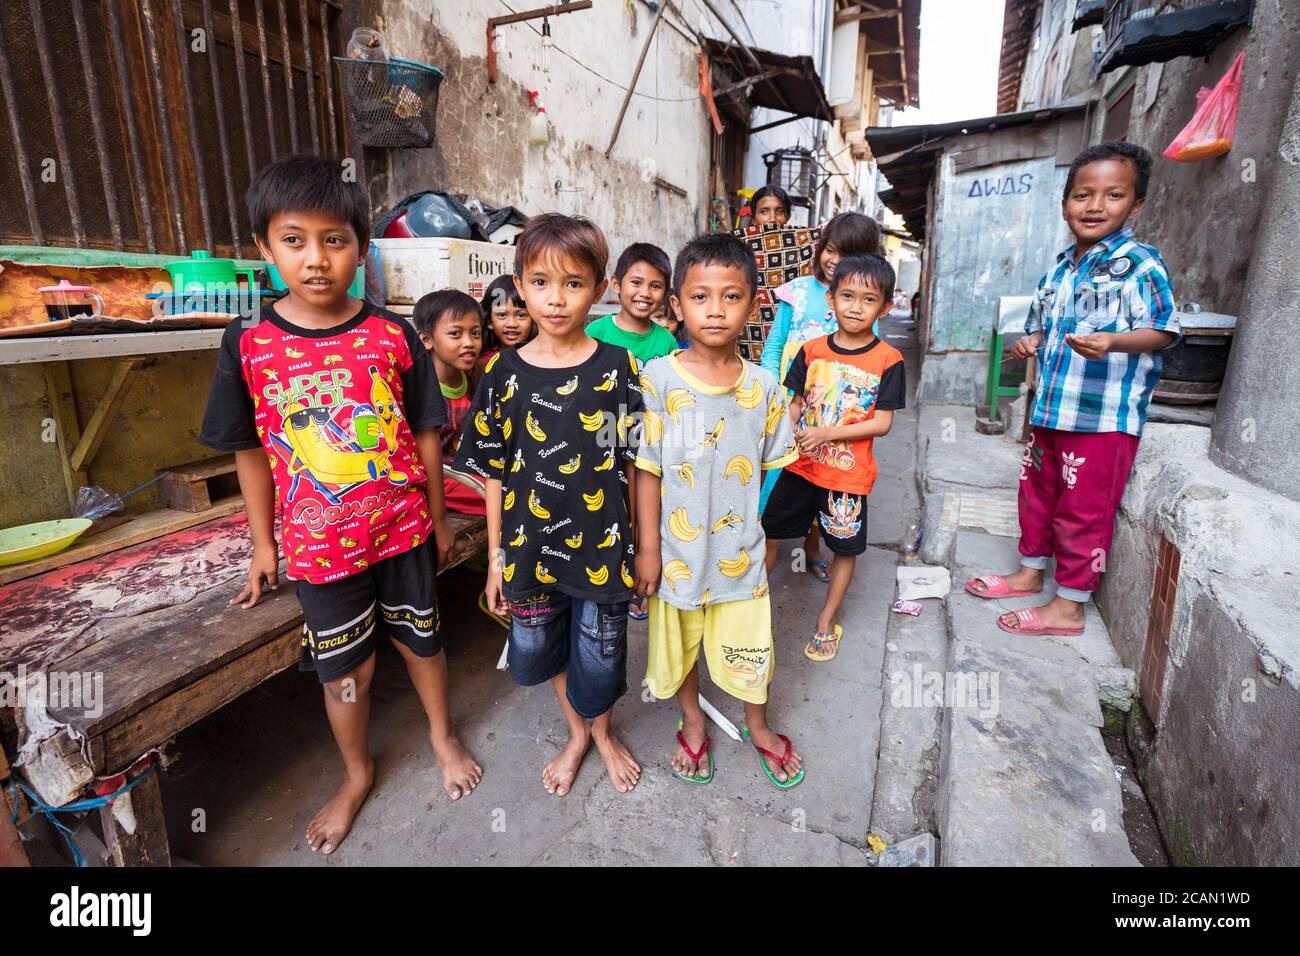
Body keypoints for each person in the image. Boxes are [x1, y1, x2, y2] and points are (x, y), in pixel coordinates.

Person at [199, 155, 481, 856]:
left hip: (404, 528)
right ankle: (356, 774)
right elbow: (251, 453)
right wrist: (264, 545)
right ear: (265, 250)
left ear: (362, 248)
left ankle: (443, 736)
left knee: (423, 641)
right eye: (294, 240)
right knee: (344, 670)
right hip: (320, 549)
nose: (316, 259)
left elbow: (425, 434)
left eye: (335, 240)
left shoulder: (392, 336)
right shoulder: (249, 344)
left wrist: (441, 519)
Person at [459, 213, 644, 797]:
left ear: (601, 286)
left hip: (603, 545)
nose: (556, 299)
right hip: (528, 549)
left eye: (573, 284)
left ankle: (605, 733)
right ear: (519, 283)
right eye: (540, 283)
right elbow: (493, 473)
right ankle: (576, 734)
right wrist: (494, 559)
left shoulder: (618, 369)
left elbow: (634, 464)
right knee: (546, 648)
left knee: (602, 652)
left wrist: (640, 548)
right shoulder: (501, 373)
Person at [964, 141, 1179, 637]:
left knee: (1084, 513)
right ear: (1065, 205)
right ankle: (1029, 571)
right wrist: (1029, 343)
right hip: (1050, 413)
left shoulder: (1141, 264)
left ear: (1136, 205)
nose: (1096, 206)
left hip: (1102, 421)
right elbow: (1041, 327)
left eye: (1113, 195)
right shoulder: (1059, 269)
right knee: (1037, 496)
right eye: (1083, 195)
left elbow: (1165, 329)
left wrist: (1115, 342)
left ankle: (1069, 606)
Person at [635, 234, 804, 788]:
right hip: (678, 556)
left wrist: (763, 544)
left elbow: (775, 471)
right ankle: (692, 720)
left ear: (754, 305)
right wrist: (650, 549)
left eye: (730, 296)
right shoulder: (657, 381)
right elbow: (647, 467)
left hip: (740, 555)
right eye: (700, 296)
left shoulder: (765, 389)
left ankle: (758, 725)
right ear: (677, 306)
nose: (715, 309)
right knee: (680, 648)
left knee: (753, 652)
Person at [762, 255, 905, 662]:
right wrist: (785, 432)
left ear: (885, 307)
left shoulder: (889, 361)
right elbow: (796, 404)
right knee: (770, 531)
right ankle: (749, 604)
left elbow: (881, 424)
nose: (856, 307)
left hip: (846, 478)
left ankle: (826, 619)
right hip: (800, 468)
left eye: (868, 299)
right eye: (847, 296)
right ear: (830, 298)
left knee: (844, 548)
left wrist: (827, 433)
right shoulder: (811, 350)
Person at [758, 210, 882, 580]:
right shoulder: (795, 292)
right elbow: (774, 346)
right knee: (776, 479)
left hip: (833, 418)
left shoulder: (859, 300)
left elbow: (868, 360)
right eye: (830, 249)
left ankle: (813, 549)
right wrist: (774, 396)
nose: (834, 261)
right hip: (787, 406)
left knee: (821, 479)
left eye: (846, 255)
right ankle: (766, 552)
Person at [412, 289, 486, 517]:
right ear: (426, 340)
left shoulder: (476, 376)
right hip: (437, 479)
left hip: (468, 471)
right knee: (503, 497)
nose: (469, 343)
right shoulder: (421, 388)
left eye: (475, 333)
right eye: (455, 334)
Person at [585, 242, 678, 366]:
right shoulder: (597, 332)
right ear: (616, 284)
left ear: (666, 292)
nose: (645, 293)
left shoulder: (667, 342)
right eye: (636, 282)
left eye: (655, 286)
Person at [477, 274, 533, 373]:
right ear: (490, 321)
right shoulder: (484, 363)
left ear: (534, 318)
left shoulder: (543, 360)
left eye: (521, 315)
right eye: (502, 315)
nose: (511, 324)